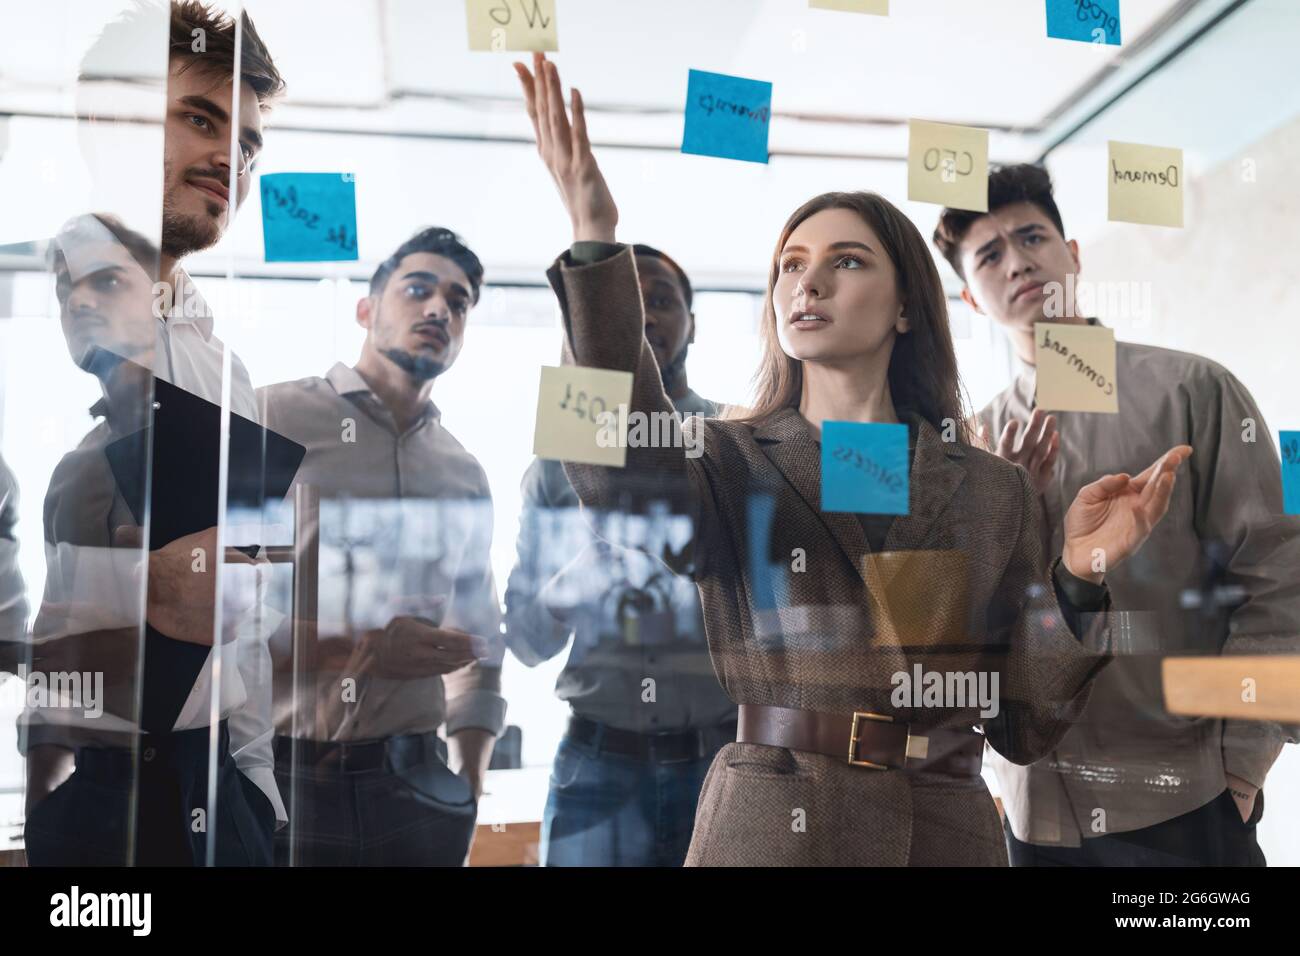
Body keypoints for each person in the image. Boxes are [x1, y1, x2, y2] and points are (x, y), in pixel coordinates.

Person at [511, 52, 1192, 866]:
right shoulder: (728, 459)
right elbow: (619, 477)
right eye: (790, 266)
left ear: (908, 304)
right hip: (769, 832)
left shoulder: (990, 488)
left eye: (847, 261)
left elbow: (1023, 725)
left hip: (943, 830)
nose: (809, 283)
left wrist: (1080, 572)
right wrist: (594, 238)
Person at [933, 163, 1300, 866]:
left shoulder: (1192, 390)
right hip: (1031, 816)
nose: (1019, 262)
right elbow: (968, 629)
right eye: (990, 255)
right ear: (970, 299)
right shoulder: (969, 443)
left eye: (1033, 237)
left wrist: (1243, 765)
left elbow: (1279, 574)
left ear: (1073, 255)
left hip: (1184, 802)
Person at [20, 0, 287, 866]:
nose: (229, 159)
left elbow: (244, 624)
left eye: (248, 144)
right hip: (90, 792)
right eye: (200, 118)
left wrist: (259, 797)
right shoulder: (26, 311)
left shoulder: (227, 372)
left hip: (219, 792)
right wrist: (134, 595)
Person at [259, 227, 506, 866]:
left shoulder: (464, 471)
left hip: (418, 781)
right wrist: (360, 647)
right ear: (366, 310)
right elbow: (203, 612)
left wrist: (469, 783)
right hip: (286, 772)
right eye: (418, 290)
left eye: (458, 302)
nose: (438, 310)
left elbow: (480, 638)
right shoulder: (270, 419)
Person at [504, 244, 735, 867]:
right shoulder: (553, 467)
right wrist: (573, 578)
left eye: (660, 300)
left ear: (693, 322)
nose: (641, 318)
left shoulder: (736, 444)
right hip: (597, 769)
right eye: (625, 303)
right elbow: (525, 642)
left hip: (724, 766)